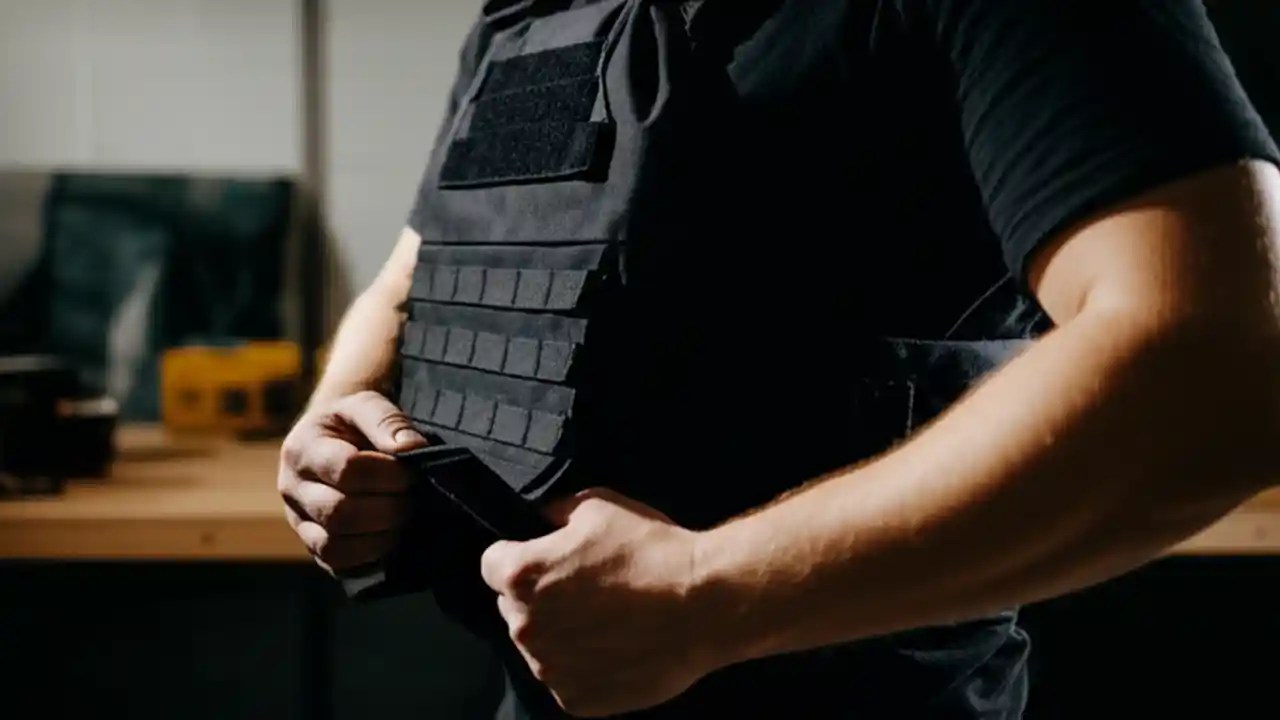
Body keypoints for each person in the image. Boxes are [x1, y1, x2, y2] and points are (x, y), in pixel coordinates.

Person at [276, 1, 1280, 717]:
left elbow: (1224, 361)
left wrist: (703, 598)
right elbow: (416, 272)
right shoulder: (540, 14)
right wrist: (335, 414)